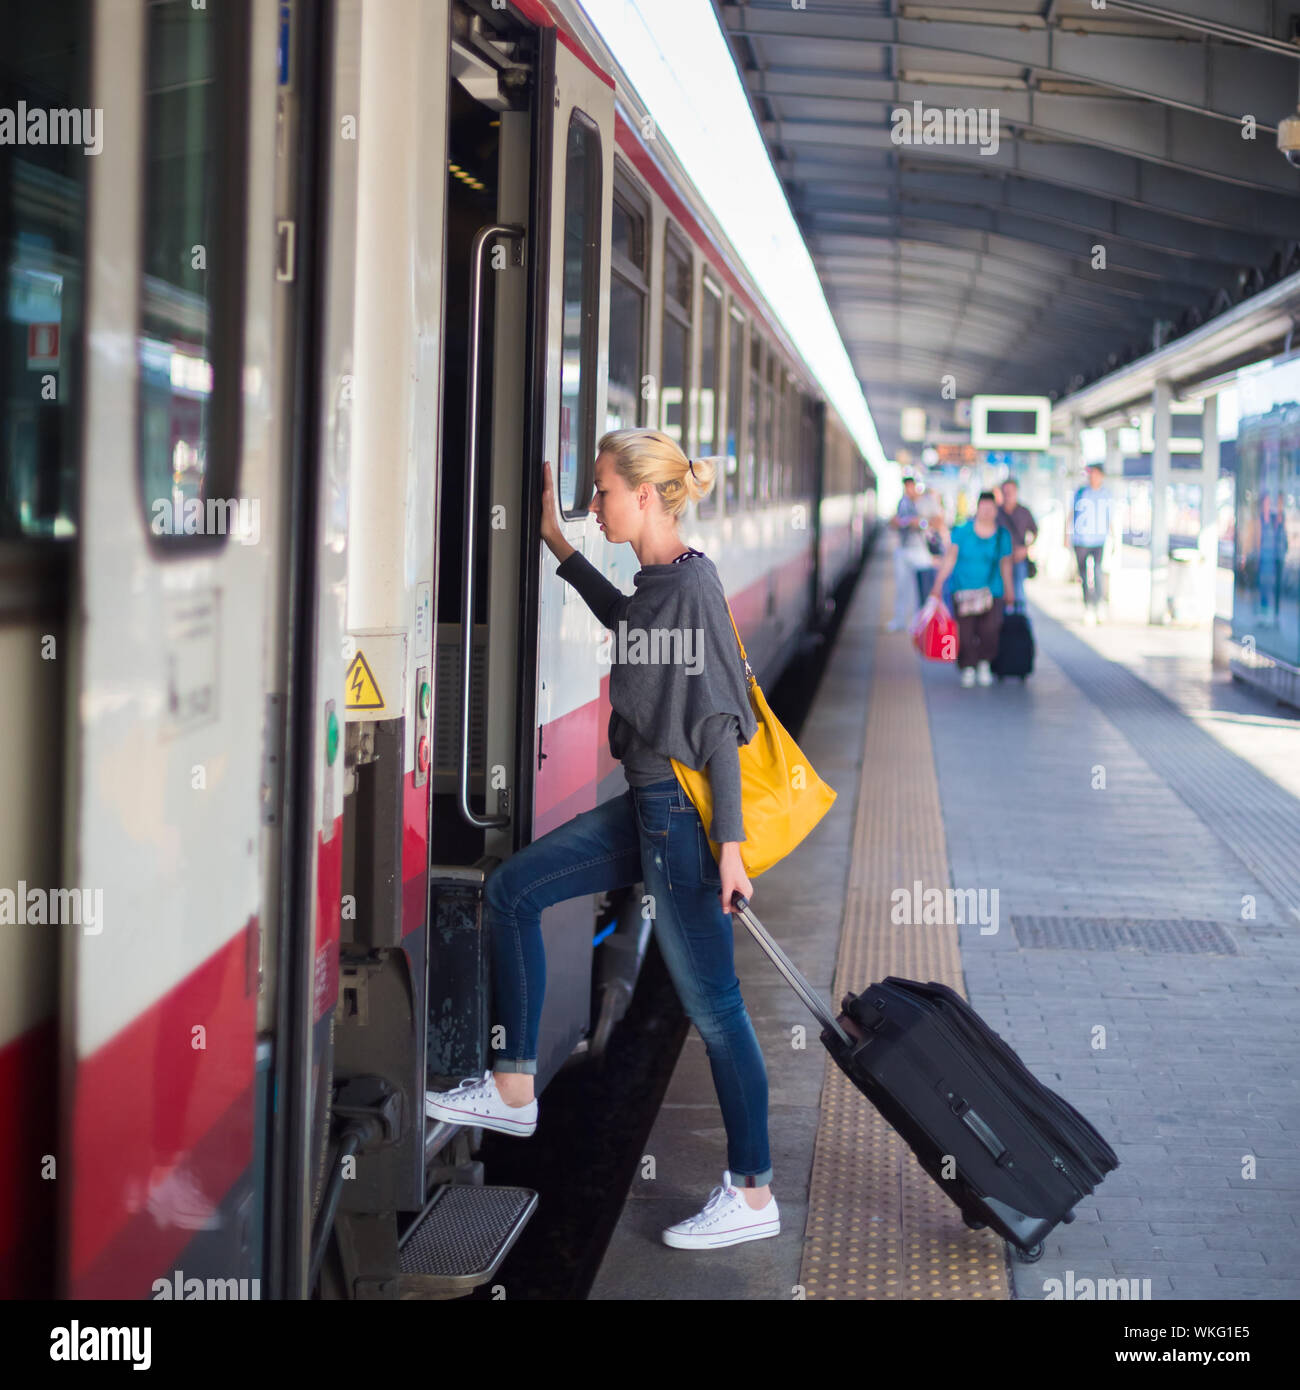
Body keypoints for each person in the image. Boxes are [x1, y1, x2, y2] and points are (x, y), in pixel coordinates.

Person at [424, 429, 780, 1251]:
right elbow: (630, 623)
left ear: (645, 496)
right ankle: (514, 1085)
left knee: (717, 1009)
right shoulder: (662, 583)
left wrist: (729, 847)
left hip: (681, 825)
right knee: (514, 889)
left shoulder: (692, 586)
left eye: (603, 492)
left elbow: (721, 725)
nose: (594, 506)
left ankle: (753, 1193)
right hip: (645, 811)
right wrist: (558, 546)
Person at [929, 490, 1014, 687]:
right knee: (965, 632)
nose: (986, 512)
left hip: (993, 591)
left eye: (990, 509)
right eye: (983, 508)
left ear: (995, 511)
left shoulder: (1002, 535)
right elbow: (950, 557)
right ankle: (968, 666)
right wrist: (938, 584)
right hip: (962, 590)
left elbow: (1006, 565)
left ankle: (984, 663)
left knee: (990, 630)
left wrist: (1010, 589)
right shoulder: (962, 531)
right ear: (977, 509)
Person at [887, 474, 946, 630]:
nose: (909, 489)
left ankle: (921, 621)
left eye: (911, 485)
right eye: (906, 486)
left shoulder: (928, 501)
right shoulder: (903, 502)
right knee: (902, 587)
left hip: (922, 551)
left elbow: (939, 521)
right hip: (904, 548)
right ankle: (899, 620)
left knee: (923, 589)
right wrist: (896, 522)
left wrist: (921, 522)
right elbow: (895, 520)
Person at [1071, 461, 1114, 625]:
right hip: (1080, 540)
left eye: (1096, 474)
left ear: (1101, 476)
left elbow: (1111, 517)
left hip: (1099, 540)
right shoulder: (1081, 492)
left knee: (1097, 572)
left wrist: (1113, 537)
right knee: (1083, 574)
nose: (1093, 477)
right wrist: (1066, 536)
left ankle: (1098, 604)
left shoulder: (1107, 495)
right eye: (1091, 474)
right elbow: (1071, 514)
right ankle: (1088, 605)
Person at [998, 478, 1038, 605]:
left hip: (1018, 558)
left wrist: (1025, 549)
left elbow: (1035, 531)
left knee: (1019, 593)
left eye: (1011, 491)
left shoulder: (1024, 512)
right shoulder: (996, 512)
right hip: (1000, 558)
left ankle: (1019, 618)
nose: (1008, 494)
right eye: (1006, 492)